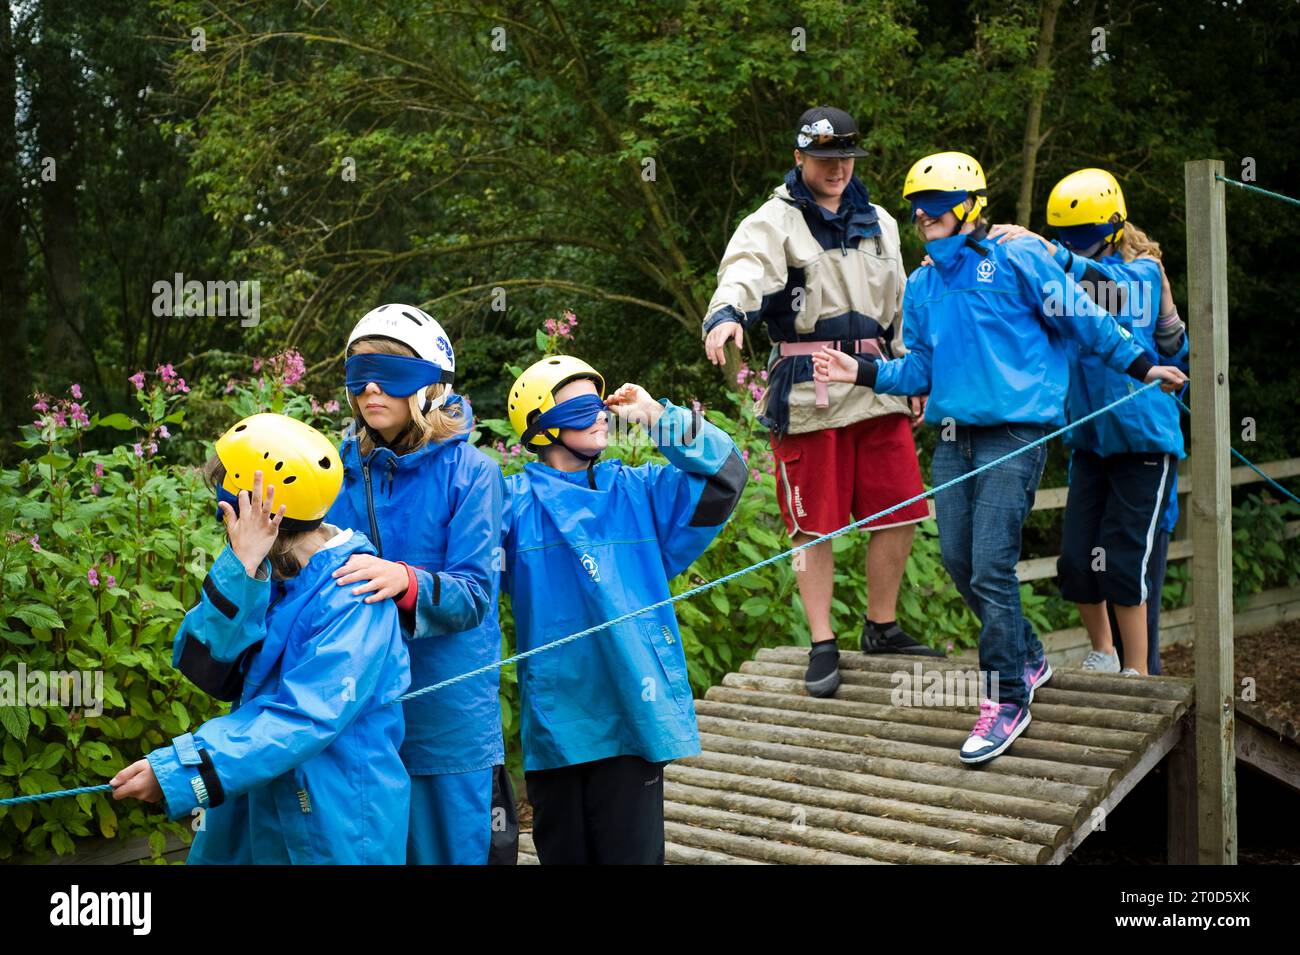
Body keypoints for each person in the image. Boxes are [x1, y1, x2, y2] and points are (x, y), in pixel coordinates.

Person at [812, 152, 1187, 763]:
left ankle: (1006, 697)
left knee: (991, 562)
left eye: (934, 205)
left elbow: (1089, 320)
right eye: (915, 207)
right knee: (960, 560)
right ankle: (1030, 656)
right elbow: (921, 368)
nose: (921, 216)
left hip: (1016, 431)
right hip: (955, 435)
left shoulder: (1018, 258)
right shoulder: (926, 283)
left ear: (968, 208)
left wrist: (1145, 365)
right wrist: (860, 370)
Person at [702, 105, 938, 701]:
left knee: (903, 507)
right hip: (809, 387)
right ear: (800, 158)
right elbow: (744, 272)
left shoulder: (881, 220)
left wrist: (913, 372)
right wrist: (727, 314)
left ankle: (881, 626)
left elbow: (904, 304)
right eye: (826, 159)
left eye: (846, 159)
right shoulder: (773, 221)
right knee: (813, 525)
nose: (837, 169)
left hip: (876, 380)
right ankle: (822, 639)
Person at [110, 413, 411, 863]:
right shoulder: (267, 570)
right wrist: (242, 570)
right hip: (256, 798)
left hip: (335, 819)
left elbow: (305, 715)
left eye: (225, 506)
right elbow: (206, 667)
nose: (222, 520)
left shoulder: (354, 596)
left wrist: (181, 771)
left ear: (256, 509)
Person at [502, 355, 747, 863]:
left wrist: (658, 416)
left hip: (633, 713)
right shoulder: (512, 505)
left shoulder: (642, 492)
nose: (599, 416)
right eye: (582, 407)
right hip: (557, 724)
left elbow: (728, 472)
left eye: (601, 405)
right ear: (541, 427)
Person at [324, 303, 516, 865]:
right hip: (360, 712)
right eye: (359, 378)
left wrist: (404, 580)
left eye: (391, 376)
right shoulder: (336, 468)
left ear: (431, 385)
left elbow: (476, 593)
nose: (371, 391)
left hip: (446, 716)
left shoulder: (473, 473)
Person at [989, 168, 1189, 676]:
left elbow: (1108, 289)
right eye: (1065, 238)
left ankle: (1139, 674)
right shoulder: (1064, 275)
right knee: (1077, 563)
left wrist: (1051, 252)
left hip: (1144, 443)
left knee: (1126, 564)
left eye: (1084, 239)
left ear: (1114, 228)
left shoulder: (1141, 271)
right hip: (1091, 448)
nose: (1075, 246)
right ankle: (1104, 653)